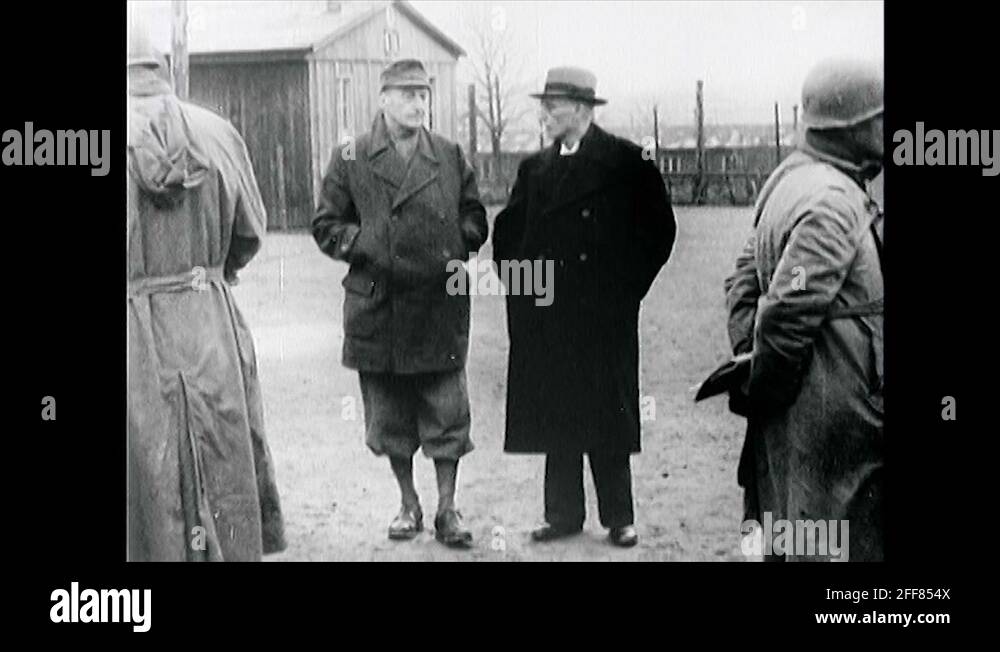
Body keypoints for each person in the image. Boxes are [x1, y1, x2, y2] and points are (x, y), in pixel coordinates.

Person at [492, 67, 676, 547]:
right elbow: (507, 235)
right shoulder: (534, 170)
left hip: (603, 318)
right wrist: (525, 292)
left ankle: (620, 517)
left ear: (581, 109)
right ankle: (563, 515)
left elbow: (658, 232)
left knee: (607, 413)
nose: (545, 113)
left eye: (553, 105)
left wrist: (623, 290)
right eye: (545, 104)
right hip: (549, 318)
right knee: (557, 414)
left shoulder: (625, 163)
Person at [312, 59, 487, 548]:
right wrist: (366, 243)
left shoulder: (450, 156)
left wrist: (456, 242)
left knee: (447, 411)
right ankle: (408, 502)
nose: (418, 103)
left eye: (424, 95)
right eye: (407, 94)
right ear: (383, 99)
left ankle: (448, 509)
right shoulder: (351, 157)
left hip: (437, 303)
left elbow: (476, 215)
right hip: (380, 305)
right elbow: (326, 225)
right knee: (390, 414)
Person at [127, 29, 286, 561]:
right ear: (163, 66)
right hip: (209, 317)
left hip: (132, 329)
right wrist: (209, 273)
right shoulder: (217, 133)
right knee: (219, 460)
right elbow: (249, 233)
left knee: (145, 467)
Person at [724, 58, 885, 561]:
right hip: (835, 418)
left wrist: (755, 375)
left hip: (802, 413)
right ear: (852, 127)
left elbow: (742, 286)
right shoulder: (834, 201)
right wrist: (769, 387)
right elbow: (786, 314)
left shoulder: (789, 180)